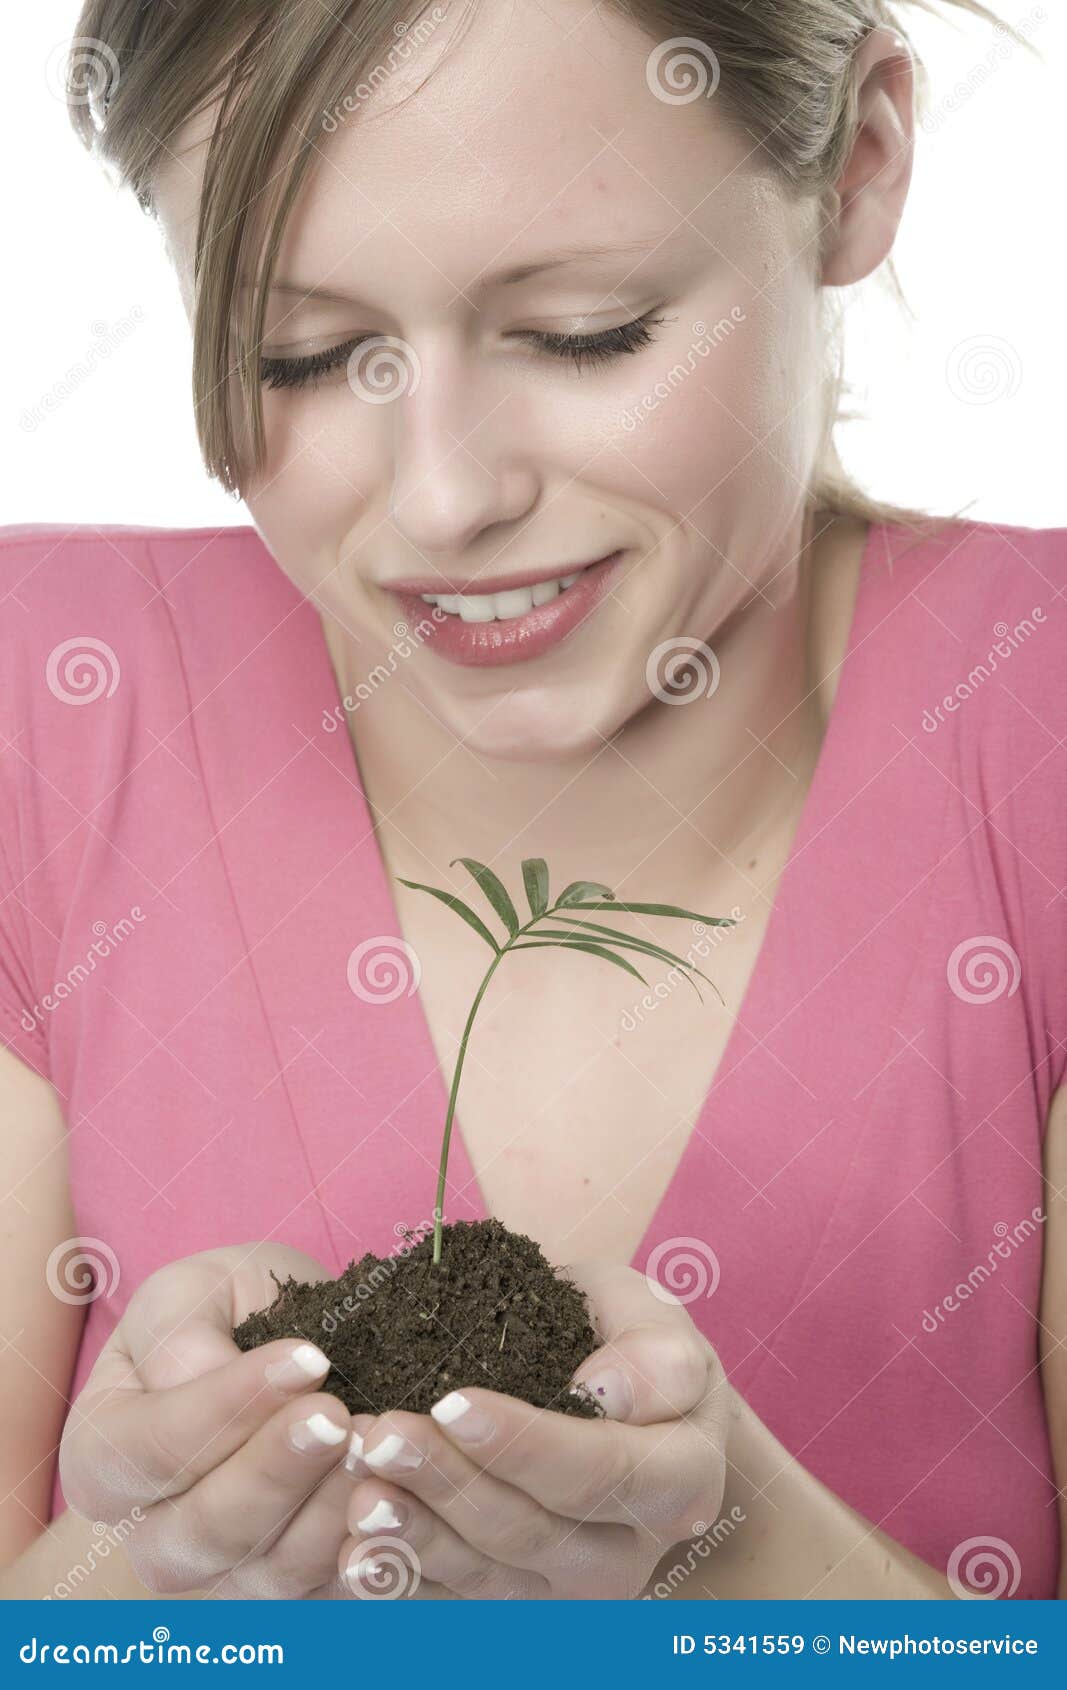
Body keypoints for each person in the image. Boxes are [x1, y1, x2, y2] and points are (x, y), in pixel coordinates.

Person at [0, 0, 1062, 1600]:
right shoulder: (47, 706)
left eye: (585, 329)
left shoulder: (1030, 725)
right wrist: (149, 1576)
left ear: (858, 161)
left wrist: (730, 1555)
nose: (445, 493)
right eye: (296, 352)